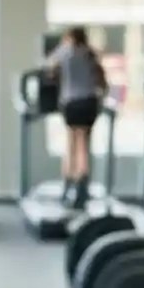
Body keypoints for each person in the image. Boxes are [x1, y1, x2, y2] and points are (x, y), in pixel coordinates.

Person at [45, 26, 108, 209]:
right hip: (89, 101)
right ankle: (82, 188)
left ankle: (67, 186)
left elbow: (49, 70)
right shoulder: (89, 54)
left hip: (71, 102)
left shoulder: (65, 52)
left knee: (71, 144)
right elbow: (101, 80)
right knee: (84, 145)